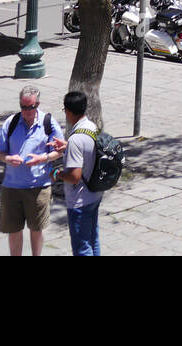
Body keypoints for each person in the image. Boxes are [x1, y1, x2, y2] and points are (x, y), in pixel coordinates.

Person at [0, 84, 66, 257]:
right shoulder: (11, 122)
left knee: (36, 230)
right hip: (12, 186)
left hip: (38, 186)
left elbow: (61, 150)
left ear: (38, 104)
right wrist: (7, 159)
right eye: (23, 107)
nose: (26, 111)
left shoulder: (48, 123)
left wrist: (43, 158)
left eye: (31, 107)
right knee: (14, 230)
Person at [52, 90, 103, 257]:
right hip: (95, 194)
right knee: (93, 240)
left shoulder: (75, 139)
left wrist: (56, 173)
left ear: (67, 111)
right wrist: (67, 147)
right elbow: (88, 150)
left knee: (82, 248)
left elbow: (74, 177)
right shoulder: (91, 127)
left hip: (80, 201)